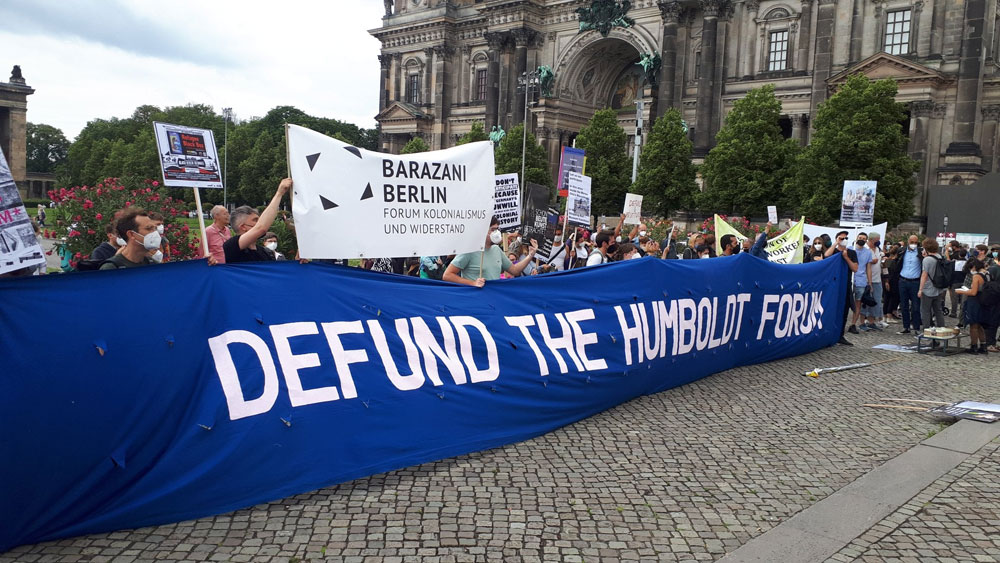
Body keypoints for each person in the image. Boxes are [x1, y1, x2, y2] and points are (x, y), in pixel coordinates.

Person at [443, 216, 539, 286]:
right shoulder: (470, 250)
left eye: (497, 229)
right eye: (493, 229)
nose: (496, 233)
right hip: (475, 300)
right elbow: (447, 275)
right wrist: (472, 283)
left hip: (493, 299)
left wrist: (530, 255)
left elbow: (515, 271)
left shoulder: (496, 250)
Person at [223, 179, 291, 264]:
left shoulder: (265, 253)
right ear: (243, 227)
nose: (259, 223)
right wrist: (279, 193)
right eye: (255, 220)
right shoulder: (231, 247)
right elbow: (261, 228)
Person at [824, 231, 859, 345]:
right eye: (842, 238)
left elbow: (855, 268)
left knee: (844, 310)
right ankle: (829, 334)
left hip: (846, 284)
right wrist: (836, 244)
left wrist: (846, 257)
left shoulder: (852, 252)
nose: (844, 239)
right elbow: (826, 256)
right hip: (833, 284)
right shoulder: (834, 250)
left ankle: (840, 335)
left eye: (846, 238)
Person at [956, 257, 989, 354]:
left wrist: (961, 291)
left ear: (974, 267)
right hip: (983, 301)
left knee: (973, 325)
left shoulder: (976, 276)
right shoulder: (986, 274)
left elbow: (973, 292)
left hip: (975, 302)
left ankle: (973, 346)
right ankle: (983, 346)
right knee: (979, 326)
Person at [892, 235, 923, 335]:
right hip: (903, 280)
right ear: (908, 241)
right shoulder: (902, 251)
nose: (913, 244)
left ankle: (916, 327)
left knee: (915, 306)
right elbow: (896, 262)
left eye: (915, 242)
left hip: (915, 281)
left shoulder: (920, 252)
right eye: (912, 241)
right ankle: (906, 326)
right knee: (904, 305)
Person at [918, 238, 947, 331]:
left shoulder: (927, 260)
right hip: (938, 288)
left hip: (928, 288)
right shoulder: (939, 257)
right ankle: (941, 328)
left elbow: (924, 275)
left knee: (925, 311)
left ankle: (927, 330)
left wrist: (920, 289)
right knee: (938, 310)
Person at [862, 232, 885, 330]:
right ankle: (862, 322)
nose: (879, 242)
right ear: (871, 240)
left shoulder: (878, 249)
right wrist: (870, 260)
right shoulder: (865, 249)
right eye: (877, 240)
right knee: (865, 301)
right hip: (866, 280)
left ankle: (872, 322)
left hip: (877, 279)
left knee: (876, 301)